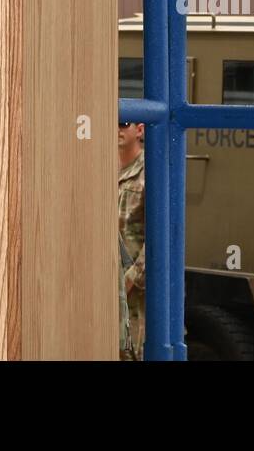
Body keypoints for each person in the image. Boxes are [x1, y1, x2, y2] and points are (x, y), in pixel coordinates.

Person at [118, 120, 146, 361]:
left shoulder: (151, 171)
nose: (117, 129)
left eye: (123, 123)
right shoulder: (102, 167)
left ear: (139, 130)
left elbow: (161, 237)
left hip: (138, 296)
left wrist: (131, 278)